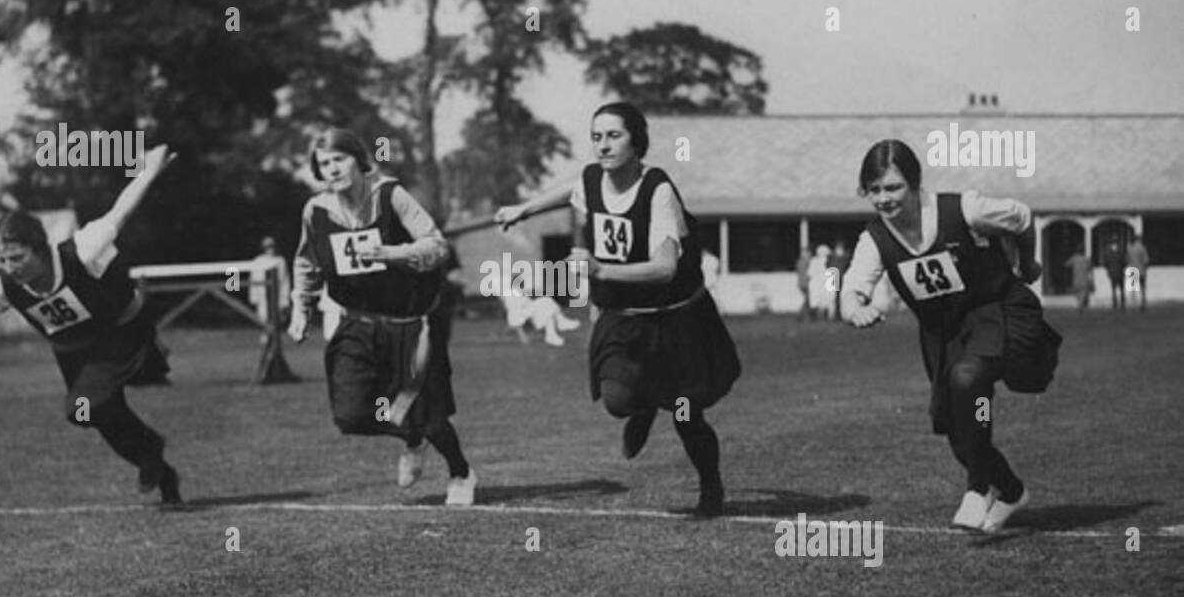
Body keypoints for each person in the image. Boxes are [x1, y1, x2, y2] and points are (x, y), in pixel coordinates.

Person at [495, 102, 741, 516]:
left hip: (676, 318)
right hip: (625, 316)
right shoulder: (594, 179)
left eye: (614, 136)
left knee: (685, 413)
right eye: (596, 137)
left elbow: (664, 268)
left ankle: (711, 487)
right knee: (617, 399)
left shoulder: (658, 191)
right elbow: (575, 186)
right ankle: (643, 407)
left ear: (636, 141)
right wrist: (525, 208)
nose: (603, 145)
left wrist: (599, 268)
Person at [0, 144, 184, 507]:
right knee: (95, 415)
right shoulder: (2, 282)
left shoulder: (82, 250)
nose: (9, 267)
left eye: (17, 257)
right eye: (3, 260)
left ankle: (149, 406)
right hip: (74, 353)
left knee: (82, 405)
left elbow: (122, 209)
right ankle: (156, 463)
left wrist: (150, 169)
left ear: (39, 248)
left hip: (118, 333)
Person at [840, 139, 1061, 534]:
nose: (884, 198)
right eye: (874, 190)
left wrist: (1027, 263)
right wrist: (855, 308)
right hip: (944, 332)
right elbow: (851, 288)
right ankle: (1009, 491)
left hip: (996, 311)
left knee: (967, 379)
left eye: (893, 187)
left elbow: (1022, 217)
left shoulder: (964, 209)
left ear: (915, 183)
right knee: (958, 426)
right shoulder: (875, 239)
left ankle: (977, 489)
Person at [288, 128, 478, 506]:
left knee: (433, 419)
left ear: (359, 160)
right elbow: (307, 261)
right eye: (323, 164)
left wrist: (393, 253)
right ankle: (411, 439)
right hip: (357, 324)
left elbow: (437, 247)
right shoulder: (316, 210)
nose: (332, 169)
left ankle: (460, 472)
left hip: (411, 326)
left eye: (338, 159)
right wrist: (300, 308)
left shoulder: (391, 195)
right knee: (352, 415)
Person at [248, 236, 291, 342]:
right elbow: (253, 280)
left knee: (277, 318)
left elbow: (285, 280)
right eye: (267, 246)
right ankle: (267, 335)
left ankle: (273, 338)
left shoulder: (280, 261)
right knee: (263, 316)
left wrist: (285, 299)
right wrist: (254, 297)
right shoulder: (258, 260)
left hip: (277, 295)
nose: (270, 249)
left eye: (272, 246)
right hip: (262, 295)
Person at [807, 244, 832, 320]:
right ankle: (824, 318)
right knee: (825, 301)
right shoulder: (829, 261)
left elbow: (810, 273)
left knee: (815, 301)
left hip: (815, 283)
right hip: (823, 283)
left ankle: (814, 318)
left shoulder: (813, 261)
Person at [1126, 234, 1150, 311]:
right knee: (1142, 288)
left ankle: (1133, 305)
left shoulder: (1129, 249)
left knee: (1133, 289)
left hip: (1133, 270)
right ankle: (1143, 303)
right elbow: (1146, 260)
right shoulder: (1142, 248)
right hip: (1141, 270)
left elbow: (1127, 259)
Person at [1102, 237, 1126, 312]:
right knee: (1121, 288)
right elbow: (1124, 261)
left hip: (1112, 272)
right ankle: (1122, 303)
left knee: (1113, 288)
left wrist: (1108, 269)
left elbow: (1105, 262)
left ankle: (1115, 303)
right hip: (1119, 271)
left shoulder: (1108, 251)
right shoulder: (1120, 250)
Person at [795, 246, 812, 322]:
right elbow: (806, 273)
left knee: (807, 300)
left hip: (802, 283)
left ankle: (803, 316)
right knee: (807, 300)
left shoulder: (801, 261)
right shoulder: (803, 262)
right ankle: (801, 316)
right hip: (804, 283)